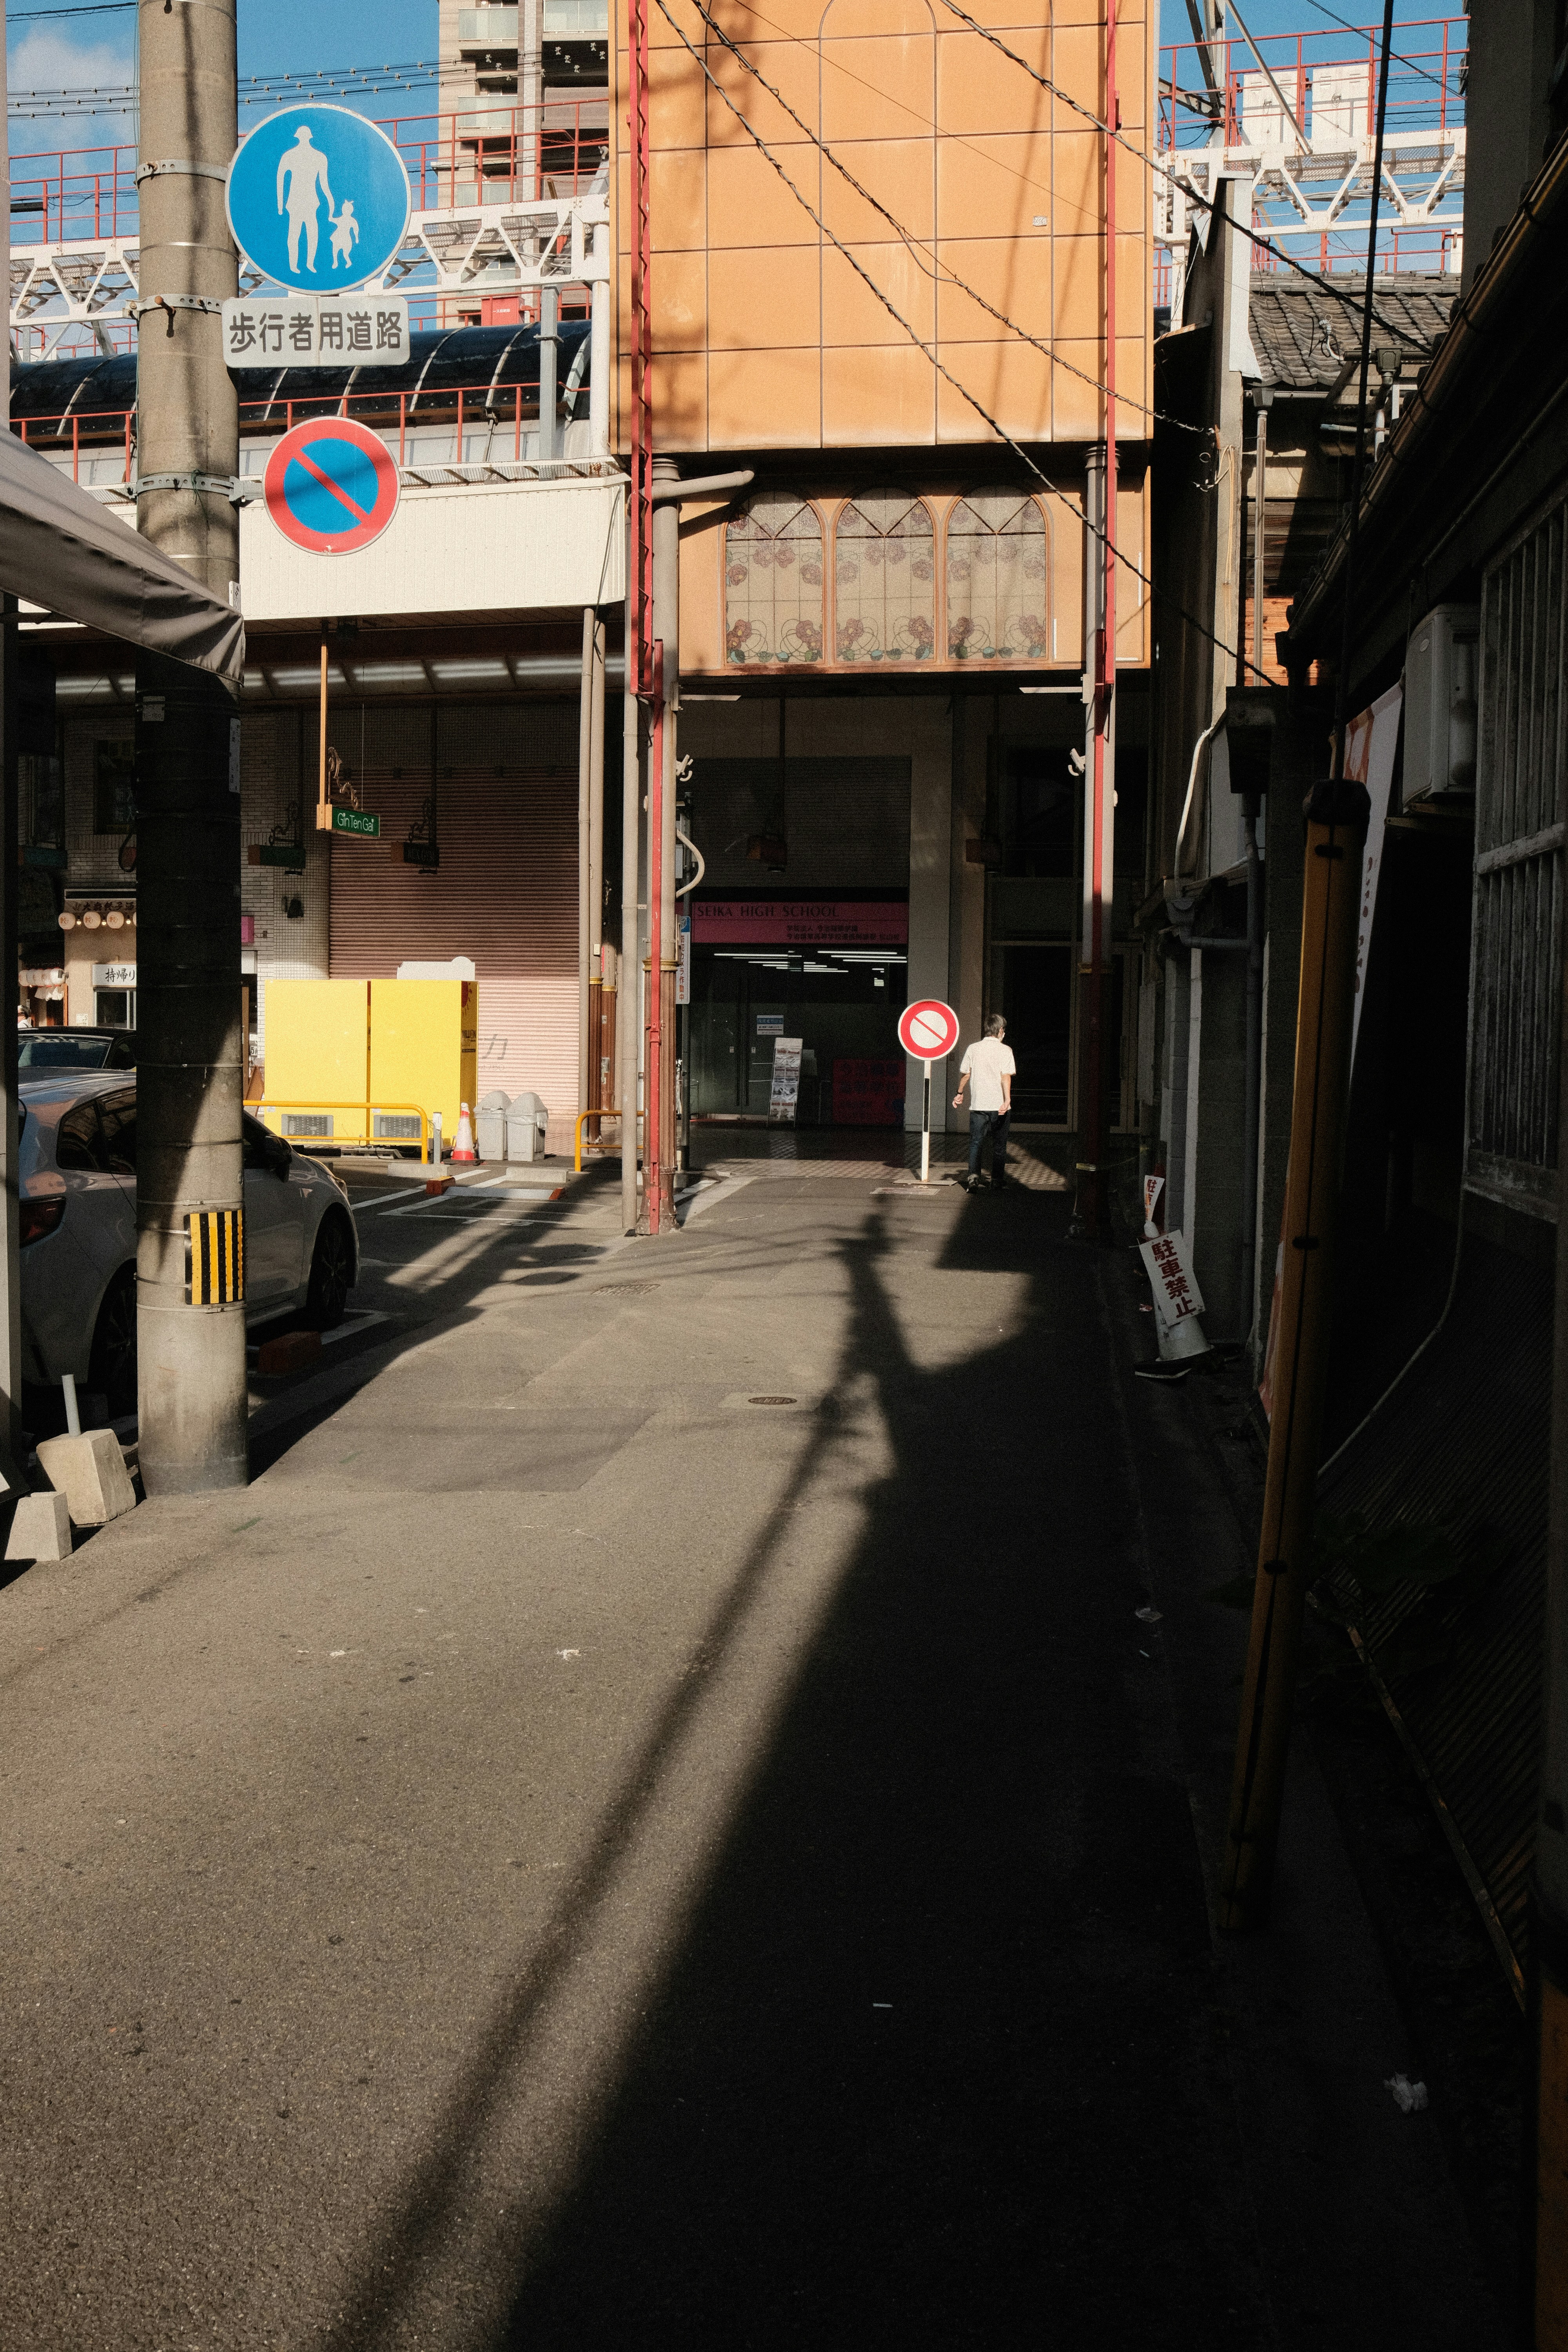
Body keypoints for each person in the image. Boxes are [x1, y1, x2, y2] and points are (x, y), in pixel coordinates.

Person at [953, 1013, 1014, 1192]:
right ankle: (996, 1180)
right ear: (1001, 1031)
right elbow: (1006, 1077)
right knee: (1000, 1145)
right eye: (1004, 1030)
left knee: (976, 1143)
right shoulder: (1006, 1051)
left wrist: (960, 1093)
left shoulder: (973, 1048)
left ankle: (973, 1178)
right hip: (1000, 1107)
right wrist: (1007, 1100)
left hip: (978, 1106)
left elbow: (966, 1074)